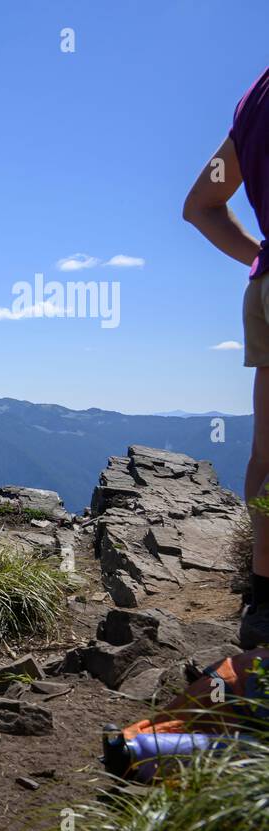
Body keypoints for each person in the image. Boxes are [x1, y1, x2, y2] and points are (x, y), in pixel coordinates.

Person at [184, 66, 269, 648]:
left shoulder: (257, 97)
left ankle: (264, 601)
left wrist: (262, 257)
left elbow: (201, 204)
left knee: (267, 452)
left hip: (266, 292)